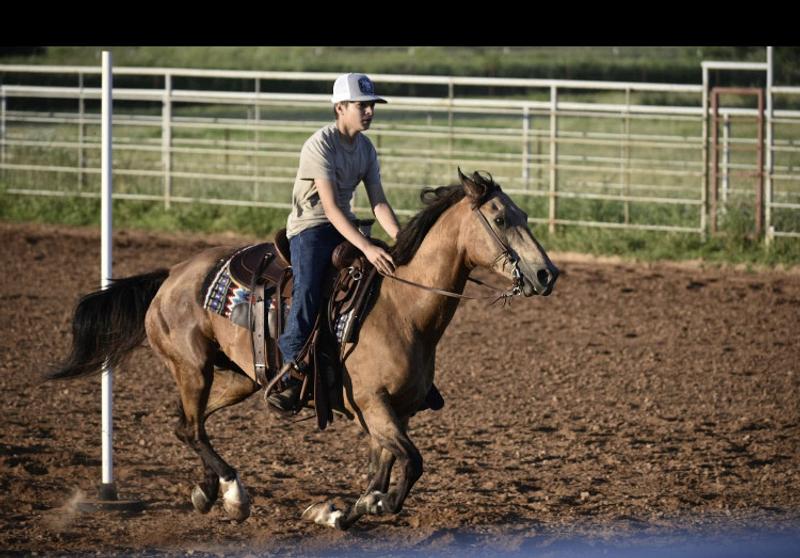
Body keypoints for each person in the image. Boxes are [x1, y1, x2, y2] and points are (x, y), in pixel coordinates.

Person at [268, 73, 400, 412]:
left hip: (345, 225)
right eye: (362, 105)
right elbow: (329, 208)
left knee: (385, 278)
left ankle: (401, 365)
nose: (369, 111)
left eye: (372, 105)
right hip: (311, 228)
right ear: (340, 107)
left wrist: (400, 240)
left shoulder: (366, 148)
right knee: (309, 290)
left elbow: (379, 202)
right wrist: (367, 247)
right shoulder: (320, 145)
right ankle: (290, 371)